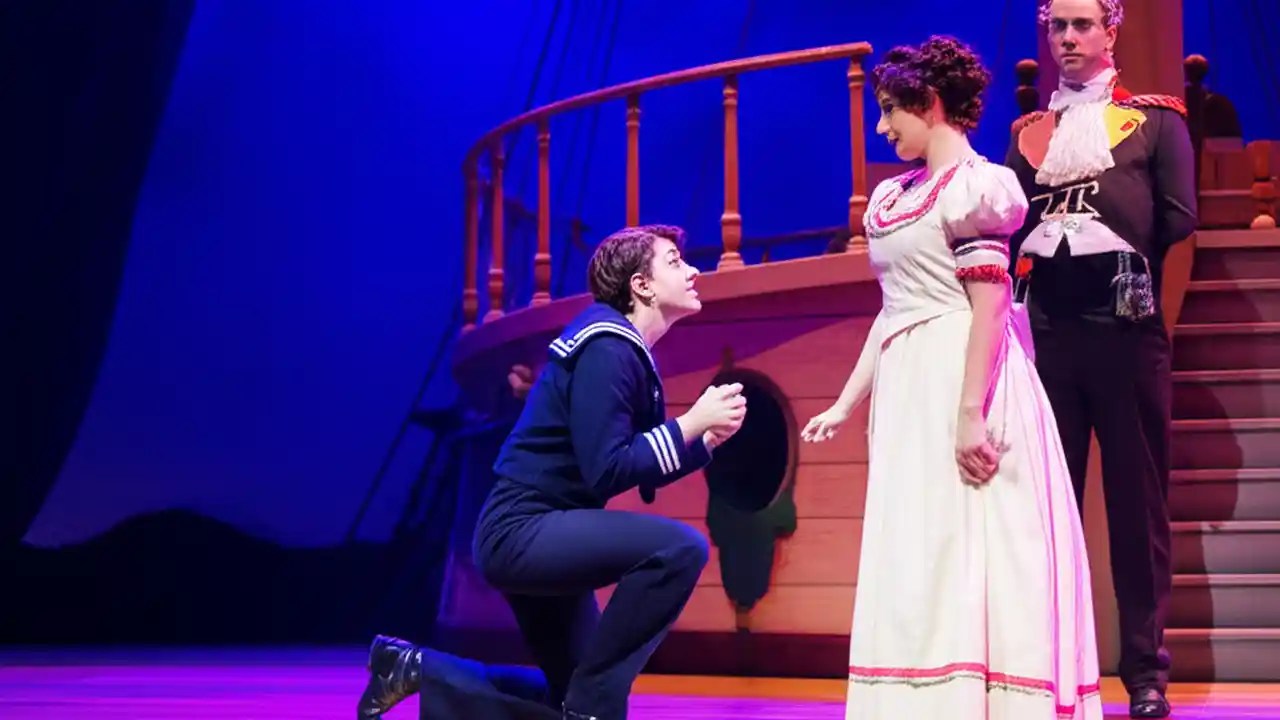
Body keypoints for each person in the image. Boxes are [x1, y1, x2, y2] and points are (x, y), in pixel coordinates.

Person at [802, 35, 1103, 719]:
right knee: (920, 543)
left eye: (890, 112)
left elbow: (990, 304)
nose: (883, 127)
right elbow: (893, 310)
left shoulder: (978, 189)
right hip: (910, 384)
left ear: (928, 103)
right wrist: (848, 402)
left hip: (966, 373)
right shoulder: (893, 197)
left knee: (980, 540)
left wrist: (971, 411)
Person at [357, 224, 747, 720]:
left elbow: (639, 468)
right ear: (641, 286)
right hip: (522, 530)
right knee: (679, 550)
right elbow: (608, 470)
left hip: (543, 530)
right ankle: (588, 707)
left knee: (575, 699)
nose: (692, 270)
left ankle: (416, 669)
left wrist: (703, 438)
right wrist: (690, 422)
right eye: (674, 261)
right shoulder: (608, 348)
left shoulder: (622, 347)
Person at [1004, 1, 1197, 716]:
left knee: (1135, 506)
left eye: (1083, 25)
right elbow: (1009, 219)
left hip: (1124, 327)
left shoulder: (1155, 120)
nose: (1068, 39)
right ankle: (1047, 665)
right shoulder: (1028, 134)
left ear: (1111, 31)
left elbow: (1177, 214)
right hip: (1046, 330)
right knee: (1043, 506)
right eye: (1058, 27)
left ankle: (1145, 673)